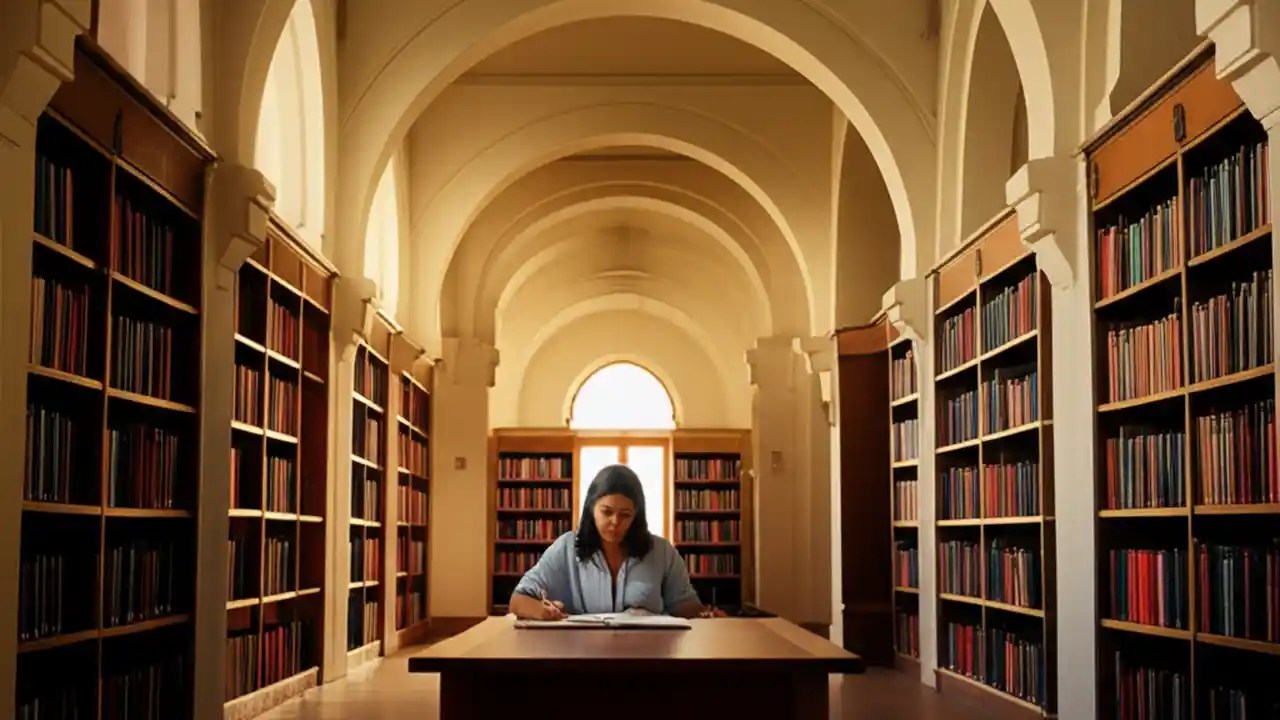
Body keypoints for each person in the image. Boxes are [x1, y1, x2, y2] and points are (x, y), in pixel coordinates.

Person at [509, 463, 725, 620]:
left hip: (650, 658)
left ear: (637, 516)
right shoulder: (566, 547)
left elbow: (685, 607)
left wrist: (706, 615)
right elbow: (518, 599)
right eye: (607, 512)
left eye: (625, 515)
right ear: (591, 509)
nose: (615, 522)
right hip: (581, 657)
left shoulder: (662, 551)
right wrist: (541, 611)